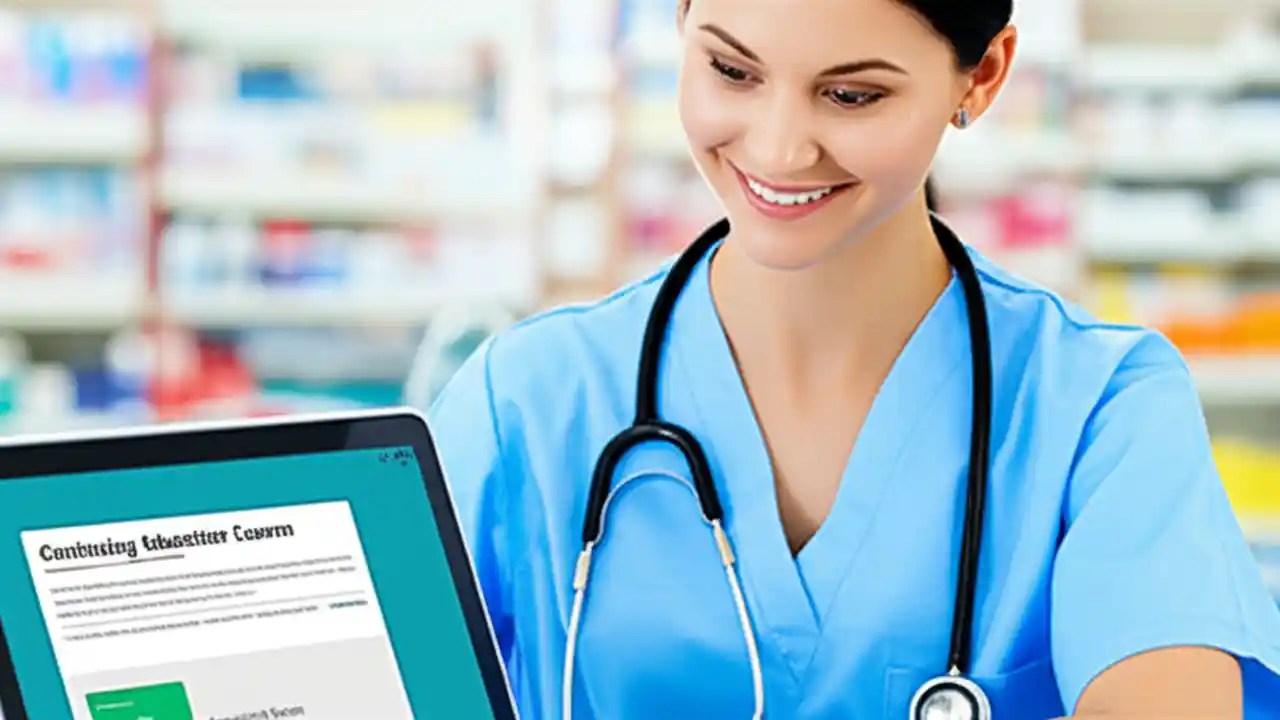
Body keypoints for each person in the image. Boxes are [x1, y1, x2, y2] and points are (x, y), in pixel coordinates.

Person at [425, 0, 1280, 717]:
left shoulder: (1099, 411)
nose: (779, 148)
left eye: (851, 94)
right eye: (733, 72)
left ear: (980, 77)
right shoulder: (525, 401)